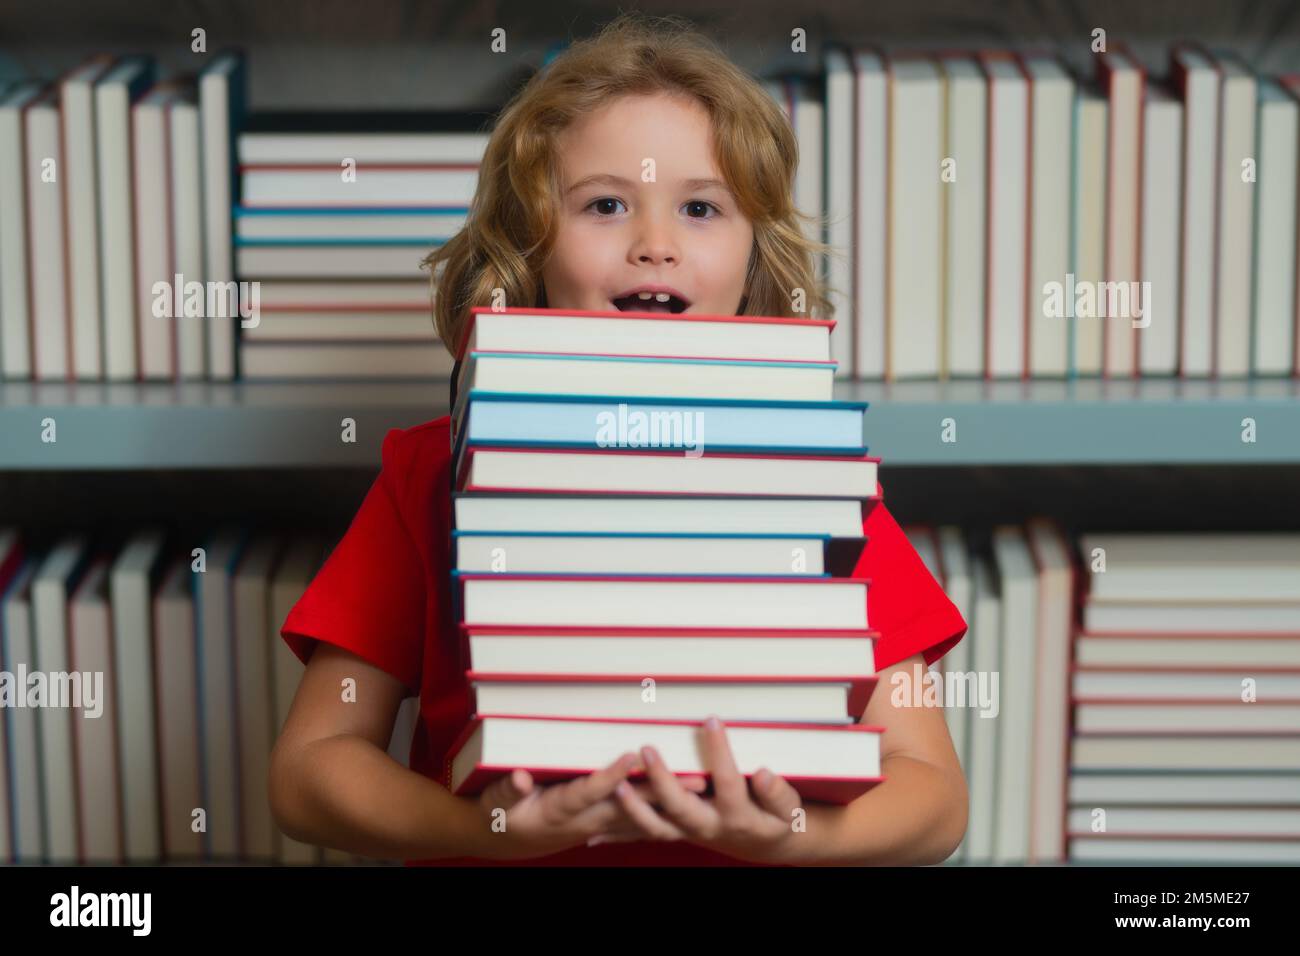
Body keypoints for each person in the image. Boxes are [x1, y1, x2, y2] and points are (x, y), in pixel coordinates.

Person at [269, 12, 969, 866]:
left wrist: (791, 836)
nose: (656, 245)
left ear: (756, 261)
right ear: (529, 246)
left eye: (702, 208)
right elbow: (308, 771)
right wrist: (476, 831)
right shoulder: (427, 472)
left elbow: (933, 793)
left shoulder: (816, 480)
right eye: (605, 203)